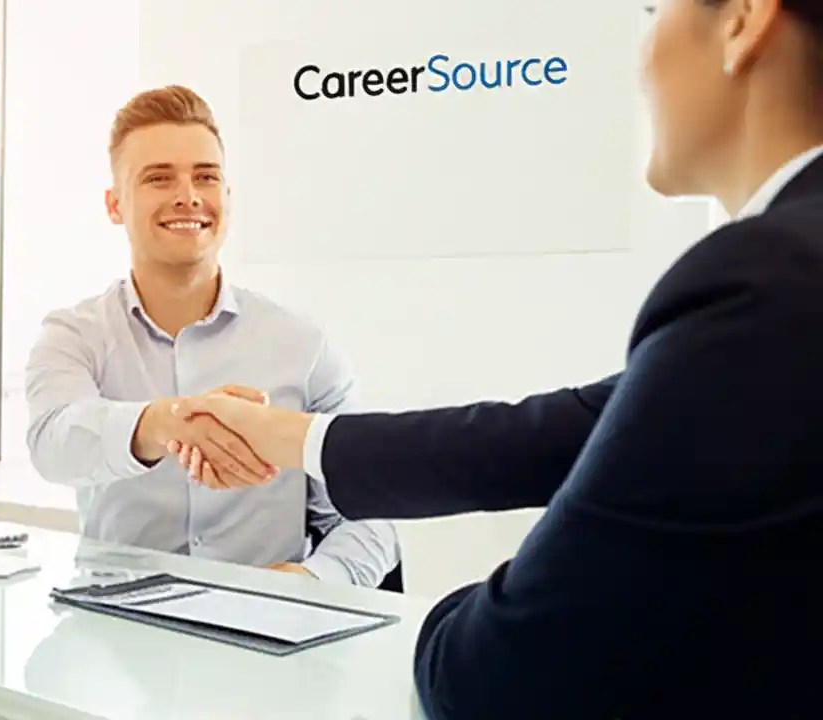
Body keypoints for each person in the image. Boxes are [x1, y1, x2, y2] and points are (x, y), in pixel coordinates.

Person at [170, 1, 823, 717]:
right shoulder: (782, 280)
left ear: (742, 20)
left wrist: (434, 612)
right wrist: (293, 439)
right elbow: (562, 430)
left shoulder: (759, 280)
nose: (641, 55)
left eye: (654, 8)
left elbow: (500, 667)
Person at [24, 85, 401, 588]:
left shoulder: (303, 347)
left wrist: (311, 581)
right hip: (115, 633)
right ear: (115, 205)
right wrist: (164, 423)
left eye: (206, 177)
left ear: (227, 198)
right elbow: (54, 443)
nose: (188, 195)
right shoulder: (72, 334)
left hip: (269, 634)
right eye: (159, 178)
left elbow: (369, 516)